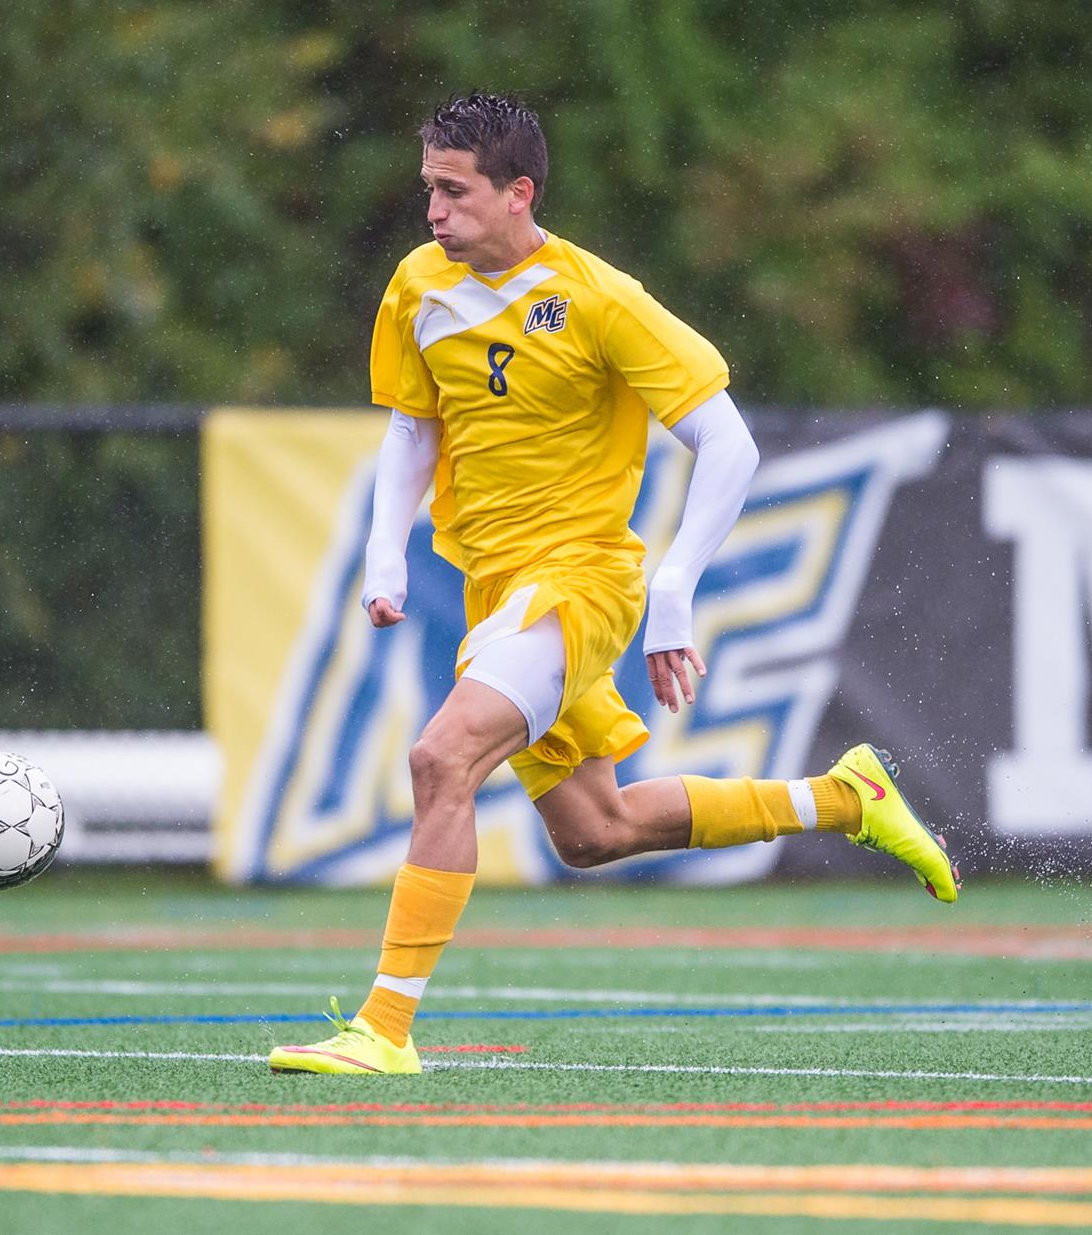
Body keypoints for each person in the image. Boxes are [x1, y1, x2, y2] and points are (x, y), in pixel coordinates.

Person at [268, 93, 959, 1075]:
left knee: (440, 759)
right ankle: (845, 799)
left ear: (519, 193)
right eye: (427, 189)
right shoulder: (418, 283)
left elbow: (727, 443)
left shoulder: (598, 298)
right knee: (596, 831)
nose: (432, 212)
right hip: (496, 593)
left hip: (579, 584)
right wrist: (386, 550)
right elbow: (413, 427)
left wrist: (673, 587)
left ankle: (383, 1029)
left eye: (454, 191)